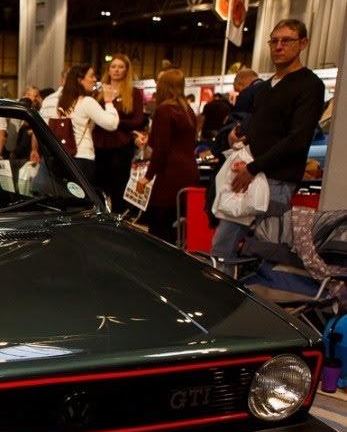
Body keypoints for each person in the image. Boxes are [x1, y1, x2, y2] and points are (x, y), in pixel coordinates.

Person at [211, 18, 325, 258]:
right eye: (274, 41)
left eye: (287, 41)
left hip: (276, 181)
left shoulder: (310, 85)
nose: (279, 46)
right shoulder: (263, 88)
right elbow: (261, 125)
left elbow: (298, 138)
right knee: (223, 247)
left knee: (265, 252)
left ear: (303, 43)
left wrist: (254, 167)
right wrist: (239, 136)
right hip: (250, 175)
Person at [134, 68, 198, 243]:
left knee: (159, 230)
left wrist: (147, 177)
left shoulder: (164, 110)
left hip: (169, 174)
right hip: (189, 172)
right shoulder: (188, 110)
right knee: (178, 228)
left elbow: (162, 149)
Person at [40, 64, 118, 181]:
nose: (95, 79)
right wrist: (109, 101)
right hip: (81, 158)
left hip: (57, 156)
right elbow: (111, 123)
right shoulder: (86, 102)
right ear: (80, 80)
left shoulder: (54, 101)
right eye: (91, 76)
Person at [93, 54, 144, 214]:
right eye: (113, 66)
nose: (116, 70)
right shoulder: (98, 92)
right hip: (99, 145)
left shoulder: (134, 93)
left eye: (121, 67)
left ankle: (117, 218)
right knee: (98, 187)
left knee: (118, 188)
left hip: (121, 146)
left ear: (127, 70)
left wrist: (114, 121)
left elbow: (138, 121)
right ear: (108, 69)